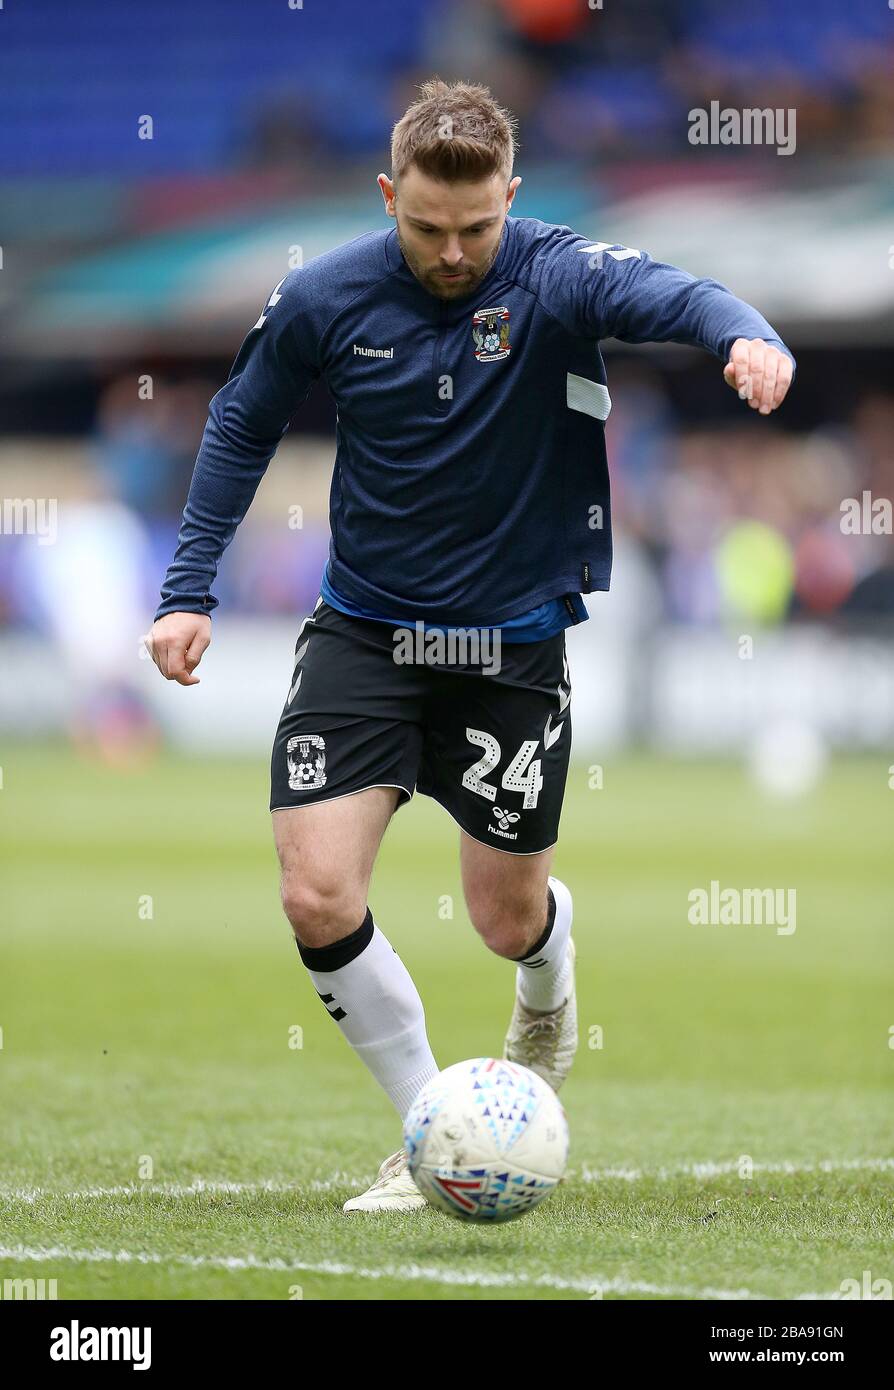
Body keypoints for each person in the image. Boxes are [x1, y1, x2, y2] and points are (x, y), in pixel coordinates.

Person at [146, 78, 795, 1213]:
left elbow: (679, 292)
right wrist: (188, 587)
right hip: (365, 632)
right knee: (316, 894)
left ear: (514, 194)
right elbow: (243, 417)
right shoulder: (325, 294)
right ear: (390, 194)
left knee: (504, 918)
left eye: (478, 227)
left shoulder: (558, 272)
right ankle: (429, 1127)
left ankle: (550, 968)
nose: (454, 253)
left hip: (512, 647)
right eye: (429, 228)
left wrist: (746, 338)